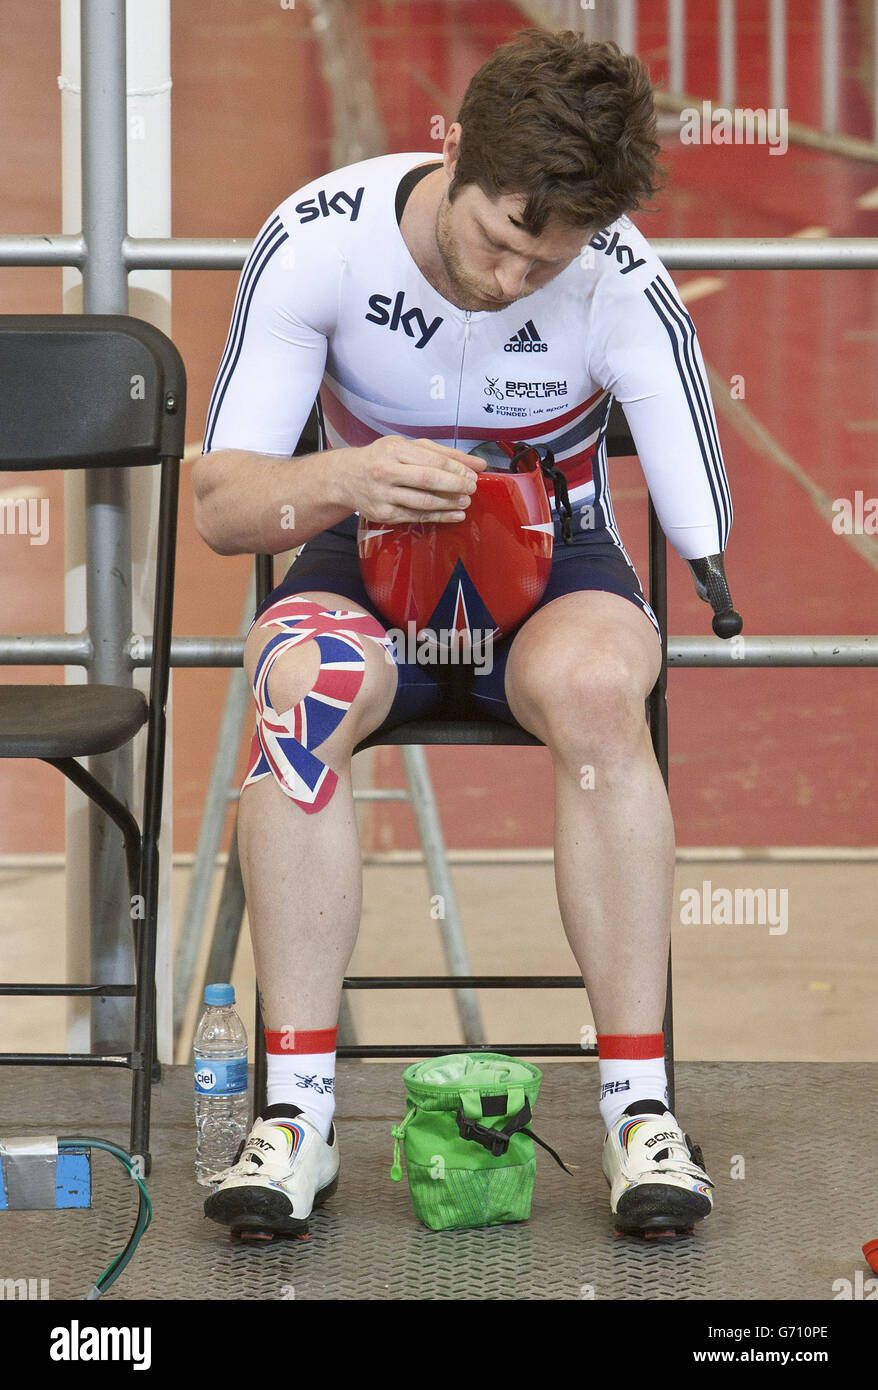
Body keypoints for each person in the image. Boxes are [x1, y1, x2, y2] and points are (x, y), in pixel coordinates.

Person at [193, 28, 730, 1241]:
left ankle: (639, 1108)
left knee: (600, 687)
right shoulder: (320, 237)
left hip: (556, 568)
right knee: (304, 686)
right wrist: (348, 478)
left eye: (545, 264)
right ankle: (298, 1112)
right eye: (496, 241)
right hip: (366, 553)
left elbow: (706, 513)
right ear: (455, 162)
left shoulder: (614, 273)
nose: (508, 282)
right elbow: (225, 508)